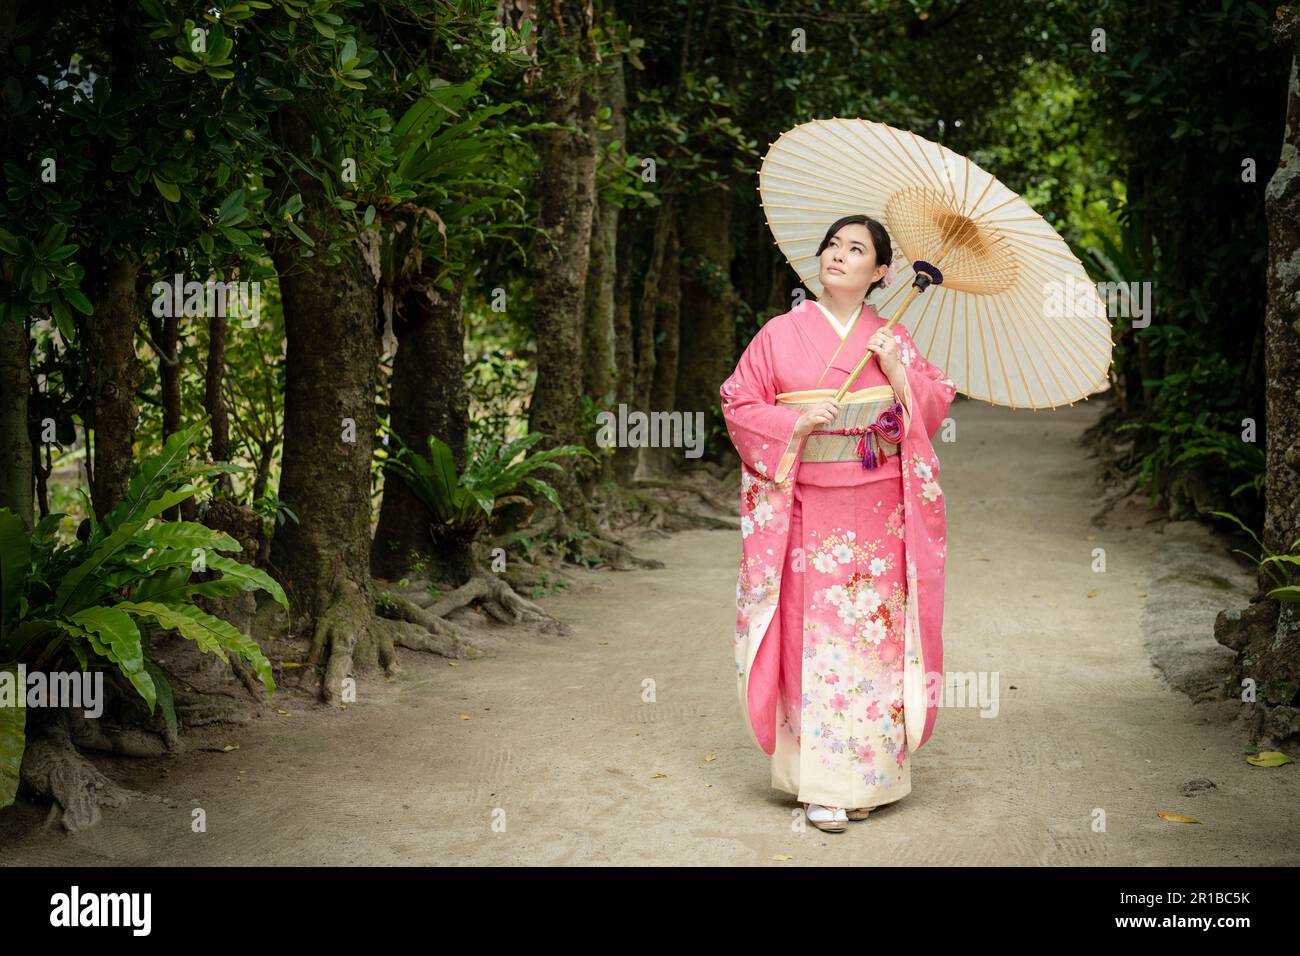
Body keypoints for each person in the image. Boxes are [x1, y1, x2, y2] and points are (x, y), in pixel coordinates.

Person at [720, 214, 957, 833]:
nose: (837, 255)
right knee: (812, 638)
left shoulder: (893, 338)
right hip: (808, 509)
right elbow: (739, 403)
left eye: (856, 249)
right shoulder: (779, 334)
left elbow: (933, 407)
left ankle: (873, 775)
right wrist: (793, 423)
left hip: (880, 511)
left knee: (874, 638)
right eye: (832, 244)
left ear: (882, 272)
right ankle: (820, 783)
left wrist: (901, 376)